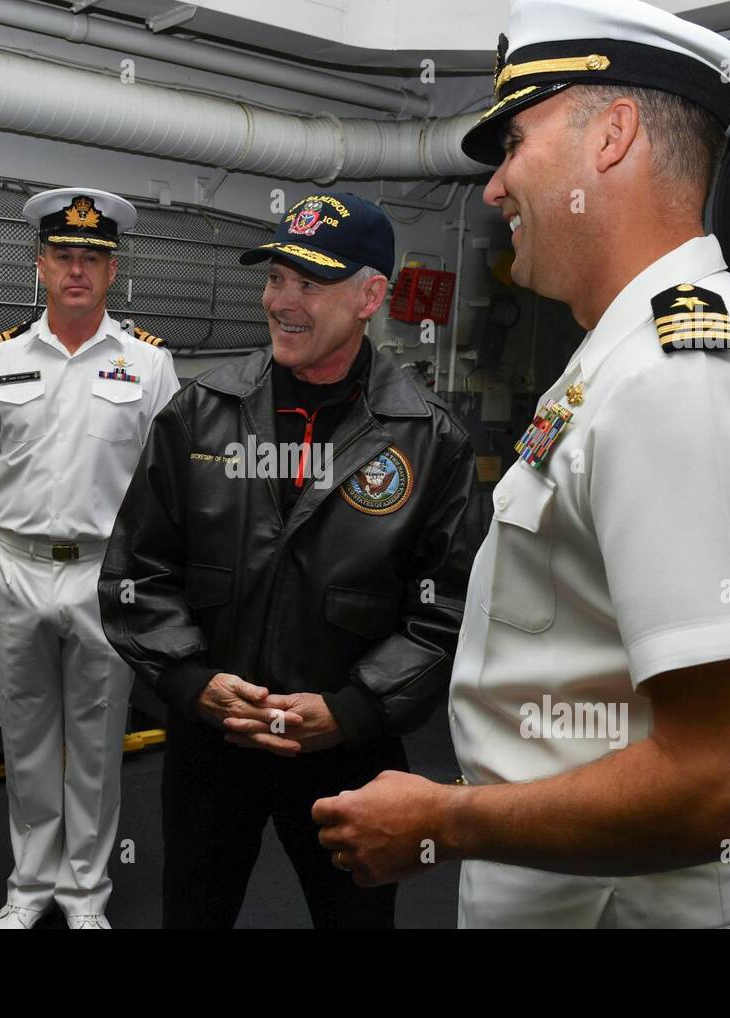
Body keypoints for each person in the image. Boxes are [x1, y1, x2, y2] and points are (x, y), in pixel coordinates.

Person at [312, 0, 730, 929]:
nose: (494, 189)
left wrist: (448, 819)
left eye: (513, 143)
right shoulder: (622, 358)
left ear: (613, 137)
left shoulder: (683, 382)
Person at [98, 191, 482, 928]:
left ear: (373, 295)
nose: (282, 301)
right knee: (195, 914)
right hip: (214, 742)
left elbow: (448, 611)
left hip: (347, 754)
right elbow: (135, 574)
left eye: (310, 283)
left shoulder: (429, 439)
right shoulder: (200, 410)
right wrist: (190, 678)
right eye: (276, 277)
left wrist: (352, 709)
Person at [0, 188, 180, 930]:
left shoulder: (149, 365)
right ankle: (29, 889)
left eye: (93, 259)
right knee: (27, 735)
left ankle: (85, 895)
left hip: (106, 575)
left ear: (113, 273)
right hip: (15, 565)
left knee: (99, 739)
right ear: (39, 266)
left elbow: (170, 489)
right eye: (63, 257)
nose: (77, 270)